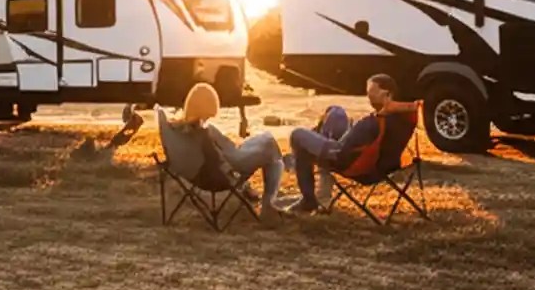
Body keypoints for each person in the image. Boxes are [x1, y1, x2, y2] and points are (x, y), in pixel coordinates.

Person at [281, 73, 419, 214]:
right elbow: (415, 107)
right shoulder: (399, 118)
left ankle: (309, 200)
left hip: (347, 159)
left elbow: (346, 148)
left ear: (387, 93)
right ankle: (321, 194)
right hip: (360, 154)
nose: (368, 95)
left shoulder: (378, 121)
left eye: (371, 90)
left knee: (297, 135)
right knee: (335, 112)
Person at [167, 82, 285, 221]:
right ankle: (268, 203)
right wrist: (236, 179)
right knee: (272, 150)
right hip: (236, 160)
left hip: (233, 153)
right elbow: (218, 160)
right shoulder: (203, 132)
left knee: (268, 142)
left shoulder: (186, 127)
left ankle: (269, 202)